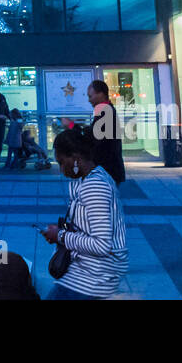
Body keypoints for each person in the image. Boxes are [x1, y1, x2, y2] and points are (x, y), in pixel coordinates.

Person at [40, 124, 128, 299]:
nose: (60, 169)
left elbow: (102, 245)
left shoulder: (94, 187)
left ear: (75, 158)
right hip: (85, 270)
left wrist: (60, 235)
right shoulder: (91, 177)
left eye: (61, 162)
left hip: (94, 276)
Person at [87, 80, 126, 185]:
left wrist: (73, 127)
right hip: (107, 170)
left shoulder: (106, 112)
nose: (89, 100)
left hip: (107, 170)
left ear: (100, 94)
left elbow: (97, 141)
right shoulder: (105, 111)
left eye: (90, 96)